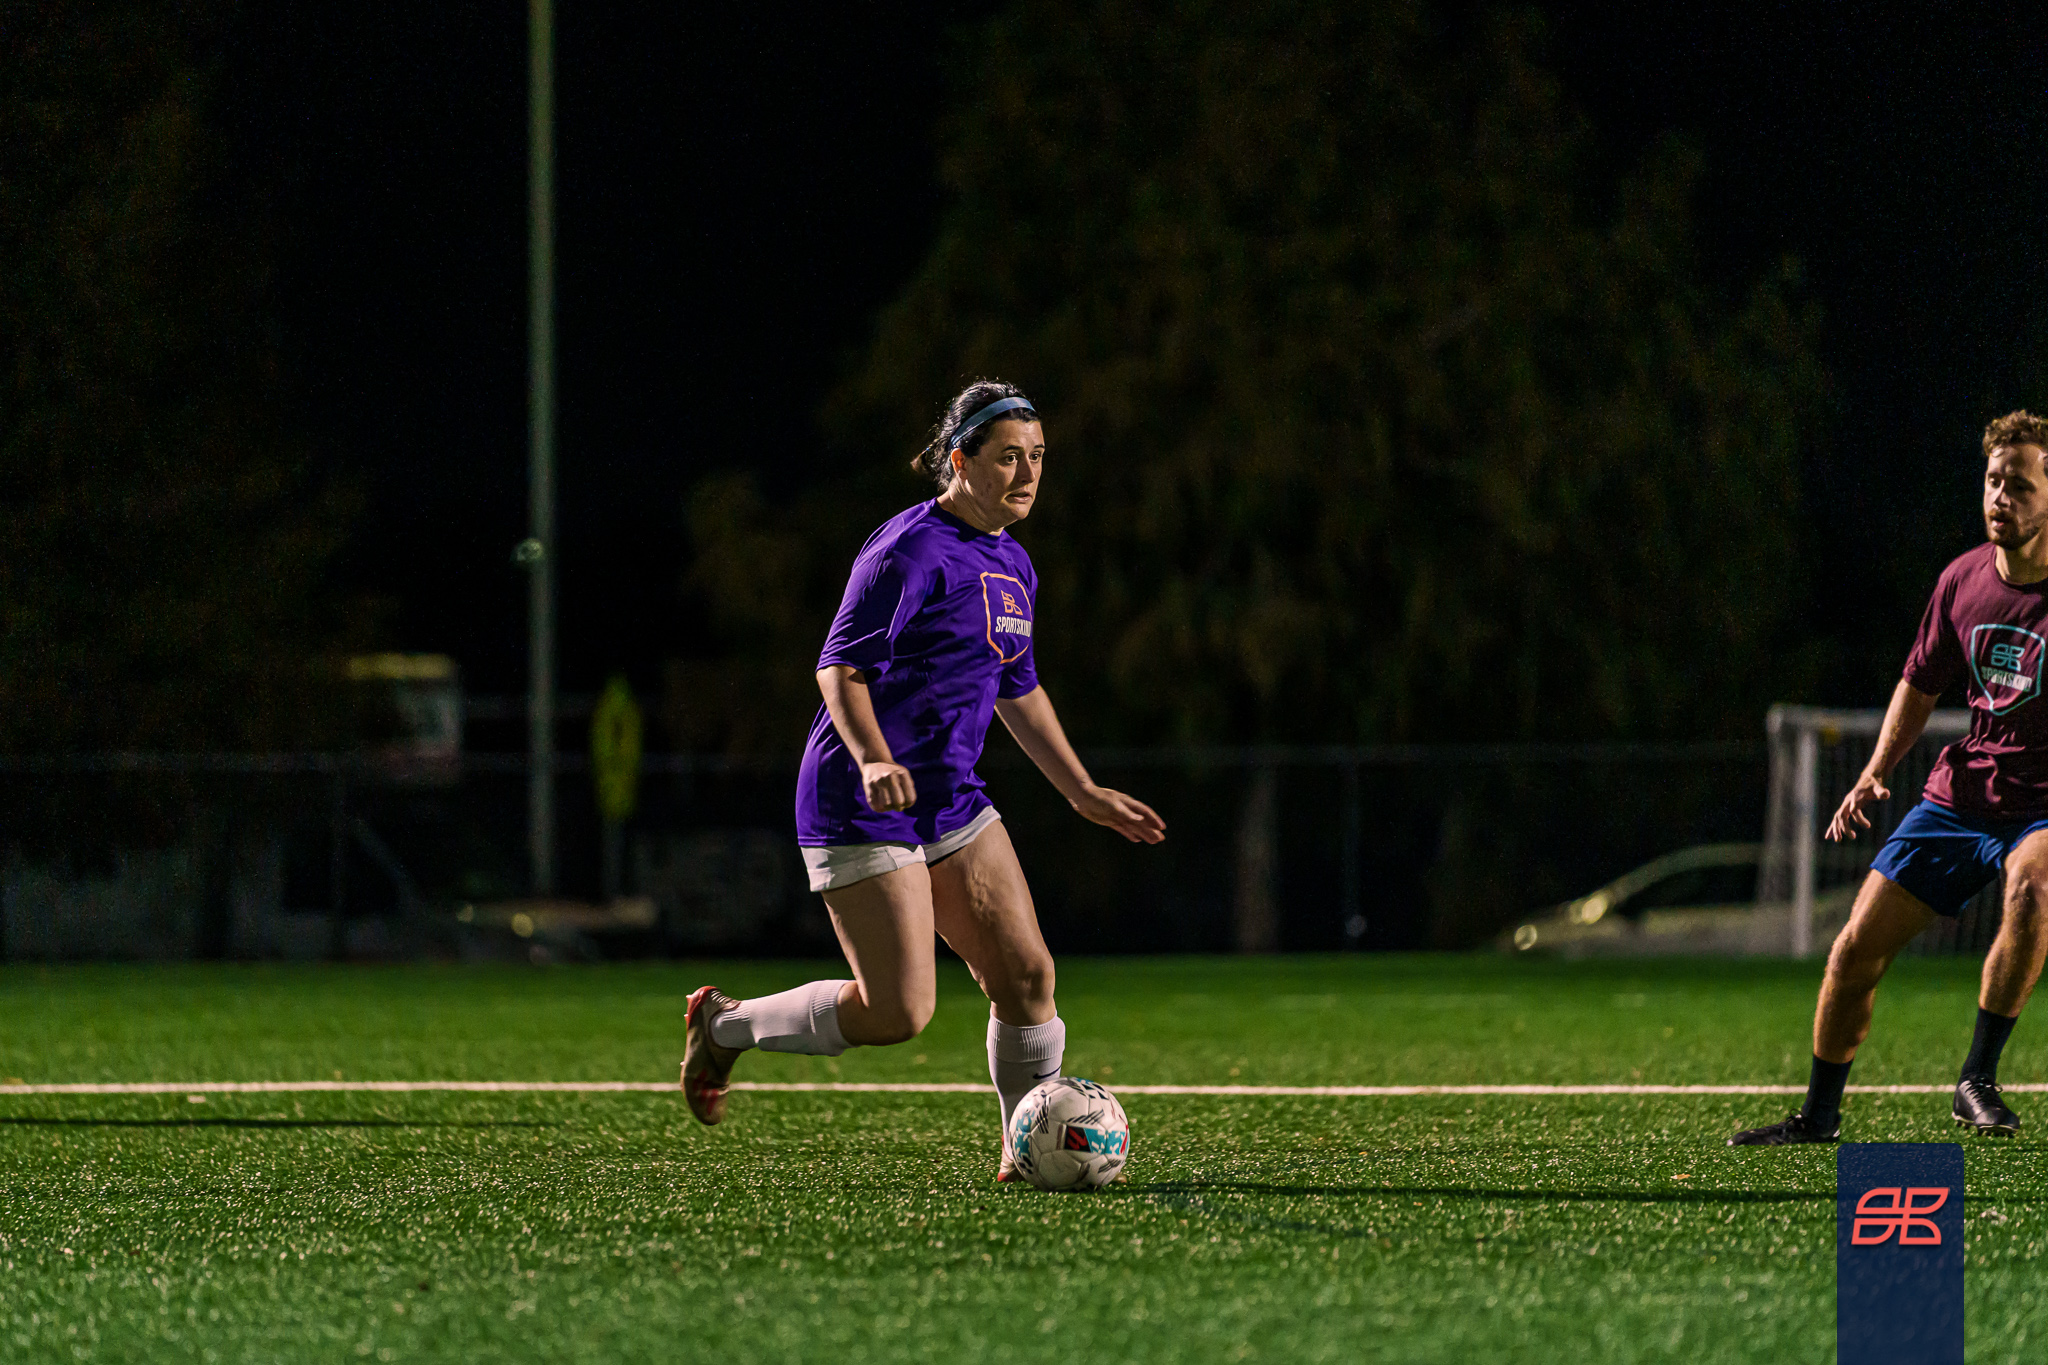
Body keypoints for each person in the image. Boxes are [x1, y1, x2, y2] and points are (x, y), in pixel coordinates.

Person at [680, 380, 1167, 1178]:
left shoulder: (1015, 564)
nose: (1027, 472)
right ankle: (724, 1026)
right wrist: (874, 757)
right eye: (1007, 455)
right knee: (899, 1010)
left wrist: (1081, 790)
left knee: (1028, 975)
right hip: (859, 795)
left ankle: (1024, 1144)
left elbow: (1019, 685)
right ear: (958, 460)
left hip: (949, 795)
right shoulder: (909, 549)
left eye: (1038, 457)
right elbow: (839, 668)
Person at [1731, 410, 2048, 1145]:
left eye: (2022, 486)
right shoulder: (1962, 580)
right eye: (1994, 481)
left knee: (2032, 885)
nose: (2002, 497)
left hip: (2039, 807)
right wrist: (1873, 772)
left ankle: (1976, 1076)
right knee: (1852, 950)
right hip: (1963, 796)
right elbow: (1918, 682)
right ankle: (1817, 1116)